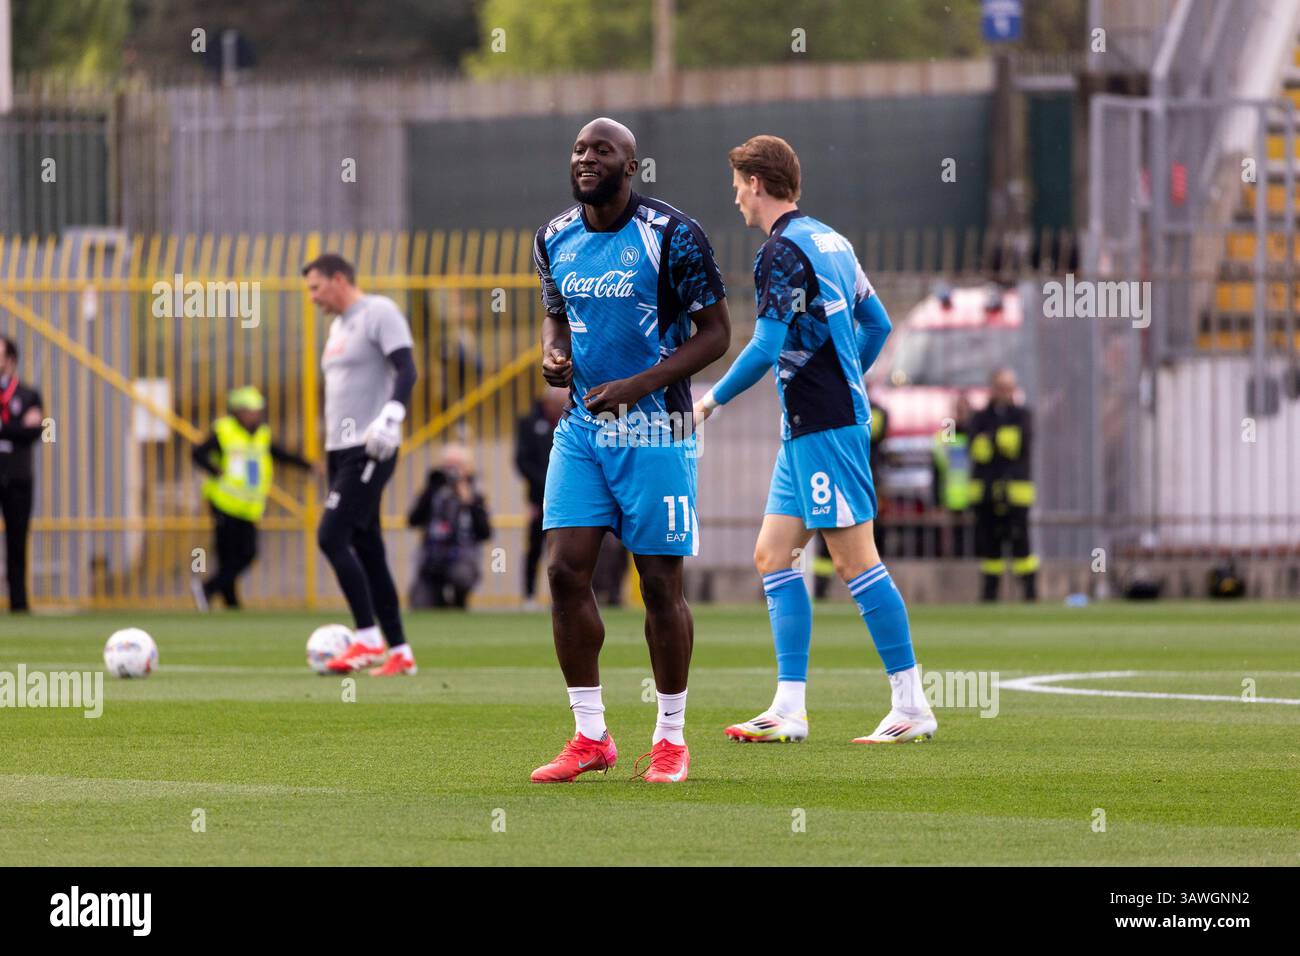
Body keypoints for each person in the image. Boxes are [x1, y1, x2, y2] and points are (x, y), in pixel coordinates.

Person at [695, 134, 937, 745]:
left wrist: (711, 401)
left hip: (825, 425)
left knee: (856, 561)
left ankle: (911, 705)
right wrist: (843, 369)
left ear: (755, 182)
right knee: (773, 556)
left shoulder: (780, 252)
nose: (735, 201)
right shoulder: (832, 240)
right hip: (809, 425)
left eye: (737, 188)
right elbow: (877, 323)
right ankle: (789, 709)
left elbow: (767, 347)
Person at [529, 116, 731, 784]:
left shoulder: (673, 237)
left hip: (654, 431)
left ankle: (670, 738)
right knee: (564, 571)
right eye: (580, 149)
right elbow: (557, 311)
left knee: (660, 585)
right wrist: (554, 353)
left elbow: (716, 334)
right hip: (583, 431)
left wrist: (638, 386)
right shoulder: (553, 236)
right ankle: (591, 736)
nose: (586, 158)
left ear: (631, 167)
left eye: (602, 150)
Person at [302, 253, 421, 676]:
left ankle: (367, 639)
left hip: (369, 446)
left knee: (331, 535)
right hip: (340, 450)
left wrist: (392, 416)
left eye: (316, 288)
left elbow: (407, 370)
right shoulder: (337, 328)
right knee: (368, 546)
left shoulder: (379, 312)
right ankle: (401, 651)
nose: (313, 298)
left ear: (339, 279)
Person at [190, 386, 314, 609]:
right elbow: (197, 453)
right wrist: (214, 470)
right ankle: (215, 593)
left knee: (245, 554)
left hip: (249, 506)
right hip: (224, 502)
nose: (255, 415)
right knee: (232, 555)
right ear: (237, 411)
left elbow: (281, 455)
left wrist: (309, 466)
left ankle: (224, 598)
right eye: (250, 410)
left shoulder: (262, 434)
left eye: (257, 410)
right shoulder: (224, 431)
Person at [970, 367, 1038, 601]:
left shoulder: (1022, 415)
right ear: (992, 389)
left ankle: (1030, 594)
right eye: (1000, 387)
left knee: (1021, 546)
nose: (1005, 392)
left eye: (1009, 387)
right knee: (990, 548)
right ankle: (989, 596)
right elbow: (979, 450)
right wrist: (999, 440)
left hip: (1016, 493)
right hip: (987, 494)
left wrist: (992, 439)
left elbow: (1015, 445)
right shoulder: (980, 417)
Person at [407, 444, 491, 609]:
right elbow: (412, 520)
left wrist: (470, 503)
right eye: (448, 466)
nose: (451, 471)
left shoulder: (475, 494)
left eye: (456, 466)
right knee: (420, 604)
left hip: (461, 559)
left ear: (466, 468)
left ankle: (459, 602)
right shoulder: (433, 491)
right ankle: (440, 601)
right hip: (431, 561)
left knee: (461, 577)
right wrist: (429, 490)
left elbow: (485, 533)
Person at [0, 336, 44, 613]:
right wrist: (15, 426)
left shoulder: (29, 394)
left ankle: (19, 603)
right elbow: (21, 429)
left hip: (17, 478)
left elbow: (33, 433)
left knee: (17, 542)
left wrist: (8, 428)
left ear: (11, 360)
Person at [514, 386, 567, 609]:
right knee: (535, 546)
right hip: (539, 497)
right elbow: (522, 461)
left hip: (568, 496)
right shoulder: (529, 423)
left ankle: (567, 595)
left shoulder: (573, 421)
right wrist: (547, 484)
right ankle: (529, 595)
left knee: (567, 547)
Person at [932, 392, 973, 558]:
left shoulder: (975, 432)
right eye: (959, 409)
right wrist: (936, 500)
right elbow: (937, 470)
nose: (961, 414)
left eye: (964, 410)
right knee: (956, 548)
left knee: (973, 546)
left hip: (973, 496)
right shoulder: (948, 435)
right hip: (952, 498)